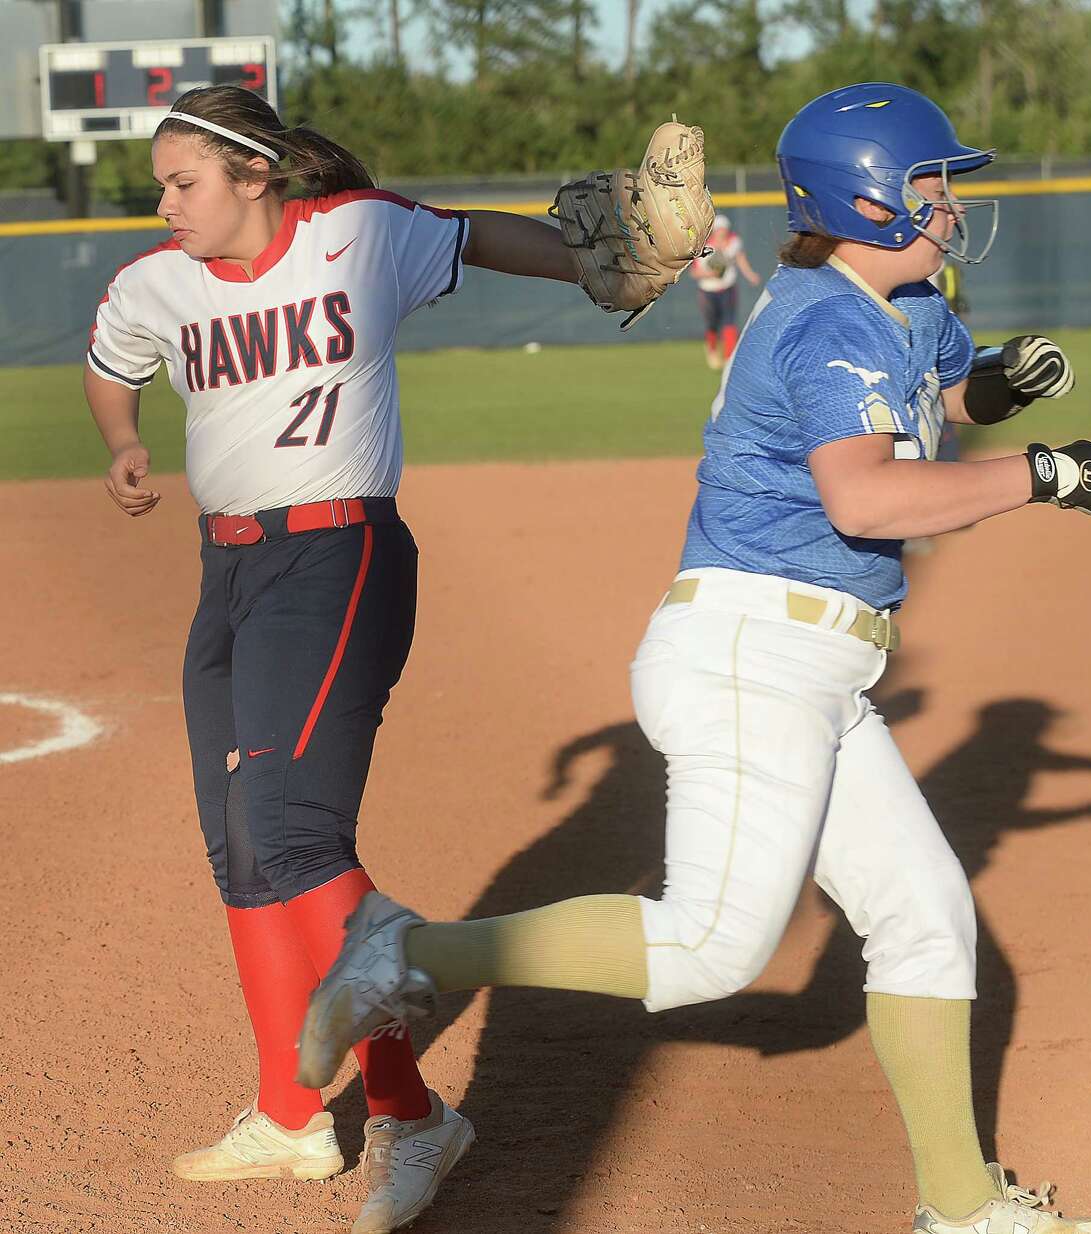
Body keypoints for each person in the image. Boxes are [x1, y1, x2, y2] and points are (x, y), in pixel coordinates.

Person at [296, 83, 1091, 1233]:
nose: (949, 203)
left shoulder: (907, 301)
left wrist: (998, 380)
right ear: (870, 198)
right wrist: (1040, 473)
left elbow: (937, 390)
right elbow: (869, 490)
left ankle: (964, 1207)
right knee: (707, 946)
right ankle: (403, 952)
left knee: (926, 910)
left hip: (816, 664)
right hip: (754, 650)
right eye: (933, 183)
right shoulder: (825, 317)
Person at [83, 84, 679, 1234]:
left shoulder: (355, 235)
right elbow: (116, 364)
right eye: (159, 182)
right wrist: (121, 439)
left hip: (337, 558)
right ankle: (290, 1113)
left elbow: (481, 235)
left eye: (183, 181)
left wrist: (600, 261)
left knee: (299, 836)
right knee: (243, 846)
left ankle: (413, 1116)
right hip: (228, 573)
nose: (163, 202)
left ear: (255, 176)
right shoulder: (154, 284)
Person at [689, 212, 761, 368]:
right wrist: (709, 273)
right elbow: (694, 272)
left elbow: (740, 259)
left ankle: (730, 358)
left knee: (729, 322)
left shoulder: (734, 242)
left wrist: (750, 275)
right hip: (708, 291)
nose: (722, 232)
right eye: (719, 230)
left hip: (727, 288)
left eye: (724, 229)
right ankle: (712, 350)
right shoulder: (705, 248)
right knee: (712, 324)